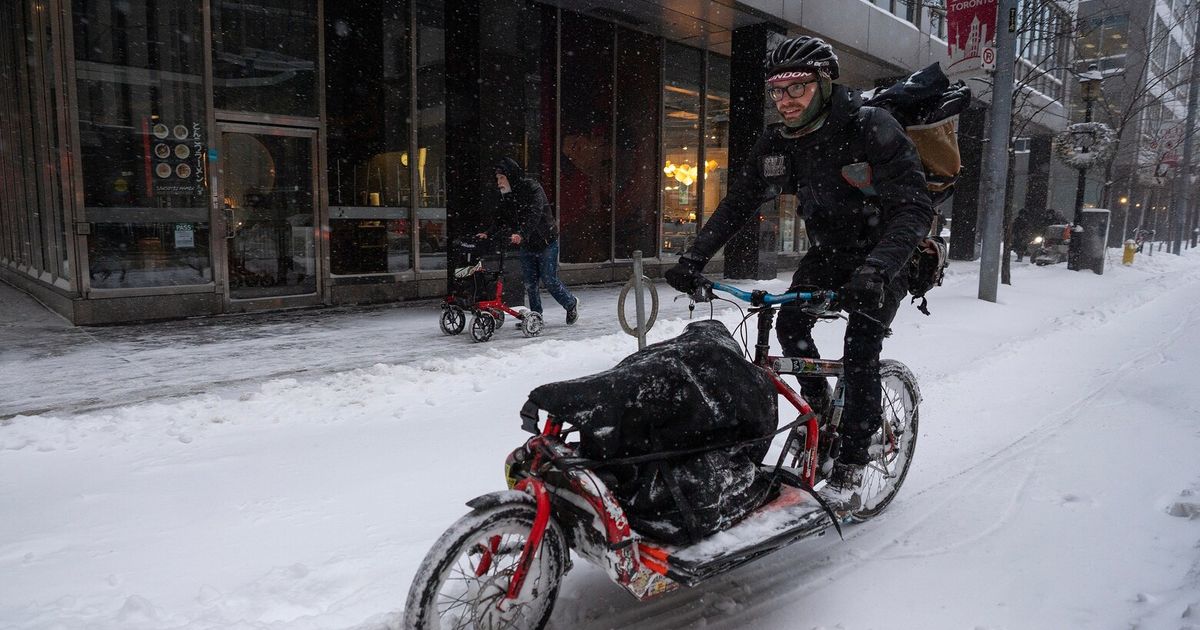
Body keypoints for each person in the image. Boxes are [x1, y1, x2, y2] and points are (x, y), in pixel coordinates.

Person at [663, 35, 934, 505]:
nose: (785, 100)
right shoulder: (779, 142)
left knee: (860, 345)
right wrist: (694, 258)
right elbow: (739, 202)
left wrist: (877, 270)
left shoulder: (871, 127)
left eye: (797, 88)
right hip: (830, 252)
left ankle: (853, 459)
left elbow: (914, 208)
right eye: (777, 90)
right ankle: (820, 403)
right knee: (789, 324)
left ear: (824, 84)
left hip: (888, 253)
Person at [477, 157, 580, 324]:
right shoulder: (508, 195)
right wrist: (488, 233)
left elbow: (535, 214)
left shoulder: (532, 188)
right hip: (527, 245)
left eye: (501, 178)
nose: (499, 182)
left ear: (511, 176)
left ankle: (571, 303)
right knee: (530, 284)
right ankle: (535, 317)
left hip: (546, 242)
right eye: (497, 179)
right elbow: (501, 218)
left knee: (549, 280)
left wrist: (522, 234)